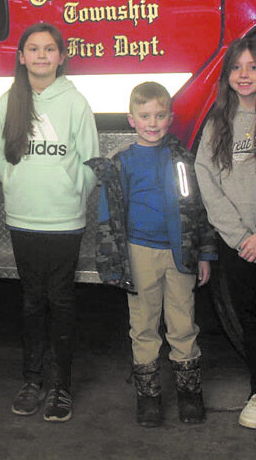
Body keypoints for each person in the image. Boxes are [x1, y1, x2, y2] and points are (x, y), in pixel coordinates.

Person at [87, 81, 216, 427]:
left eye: (160, 115)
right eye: (145, 116)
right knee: (143, 327)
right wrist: (112, 261)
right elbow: (108, 214)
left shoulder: (182, 162)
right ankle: (149, 399)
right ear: (132, 120)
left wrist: (204, 253)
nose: (153, 122)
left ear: (171, 117)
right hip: (139, 254)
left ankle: (189, 395)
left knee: (183, 324)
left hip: (180, 256)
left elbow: (196, 208)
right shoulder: (122, 164)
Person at [0, 22, 99, 423]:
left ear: (61, 56)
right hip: (23, 218)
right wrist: (16, 185)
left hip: (63, 220)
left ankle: (61, 386)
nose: (40, 55)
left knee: (61, 301)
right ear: (21, 57)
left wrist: (72, 191)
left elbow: (90, 160)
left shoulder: (75, 102)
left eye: (48, 49)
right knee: (32, 302)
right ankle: (32, 380)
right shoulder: (9, 100)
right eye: (32, 49)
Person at [195, 38, 256, 439]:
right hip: (237, 242)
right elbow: (206, 179)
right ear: (227, 76)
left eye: (253, 67)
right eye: (237, 67)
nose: (244, 75)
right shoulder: (218, 123)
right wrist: (239, 238)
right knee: (248, 318)